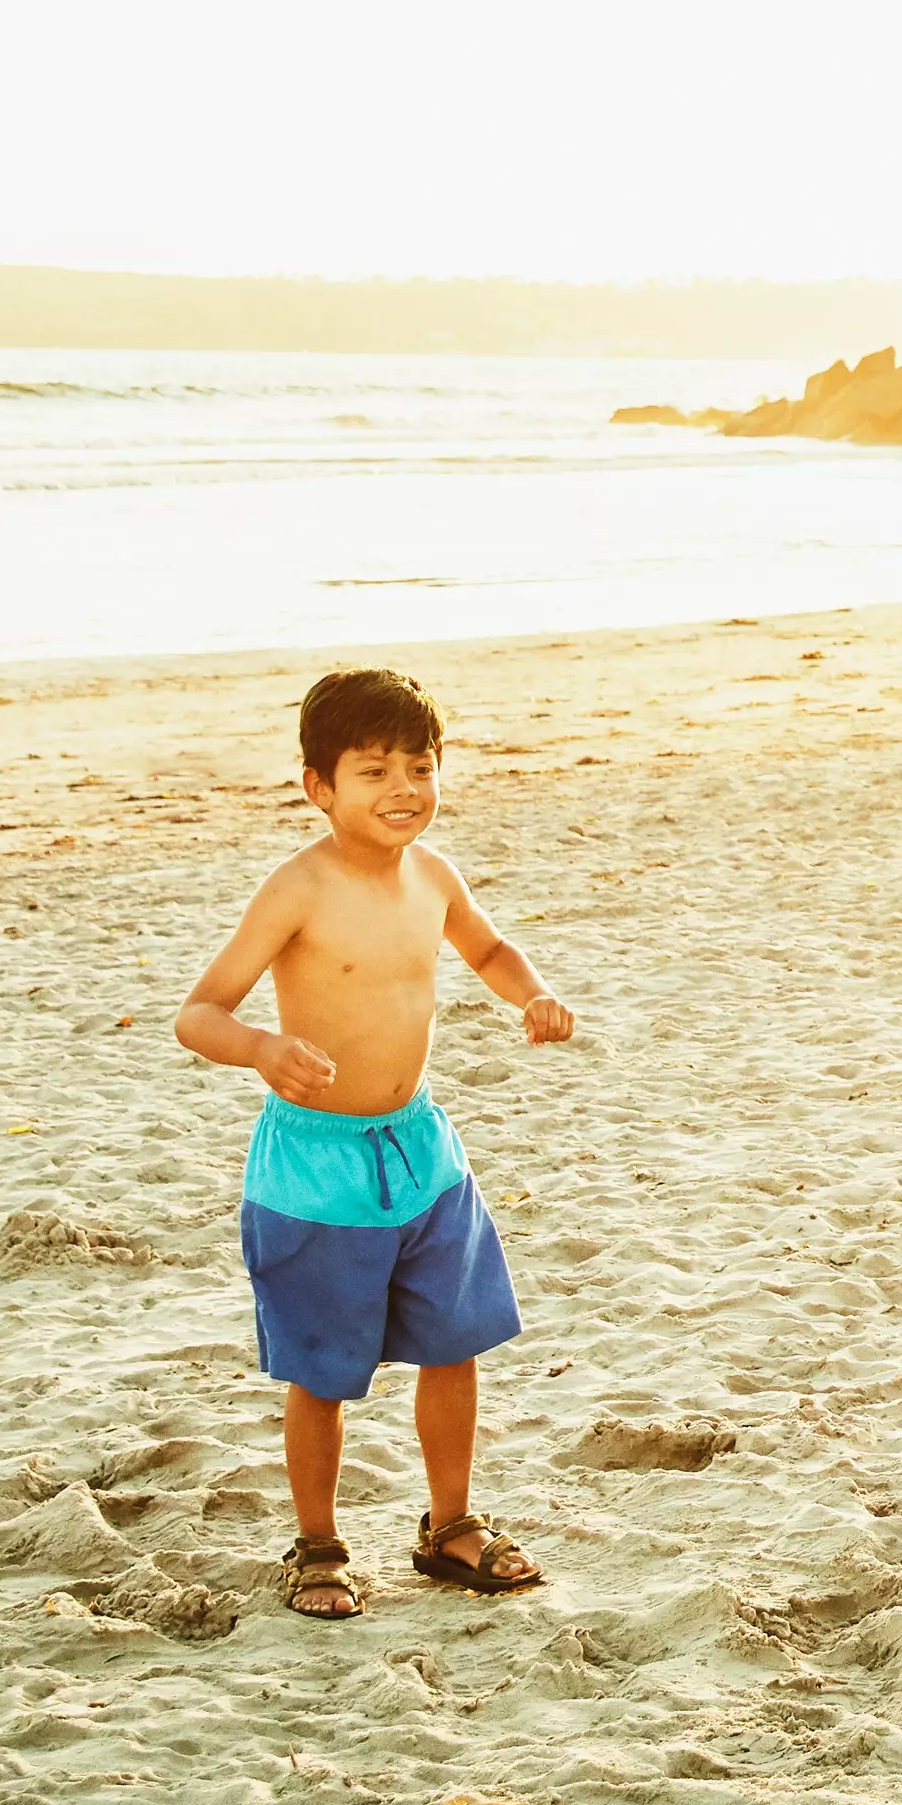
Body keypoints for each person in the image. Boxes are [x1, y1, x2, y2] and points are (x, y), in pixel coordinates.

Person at [171, 666, 574, 1619]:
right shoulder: (297, 887)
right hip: (315, 1164)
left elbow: (488, 948)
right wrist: (263, 1048)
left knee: (456, 1340)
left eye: (420, 767)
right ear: (319, 785)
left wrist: (532, 994)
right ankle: (317, 1542)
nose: (403, 788)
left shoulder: (434, 876)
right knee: (322, 1372)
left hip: (421, 1149)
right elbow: (199, 1014)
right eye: (373, 769)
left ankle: (451, 1525)